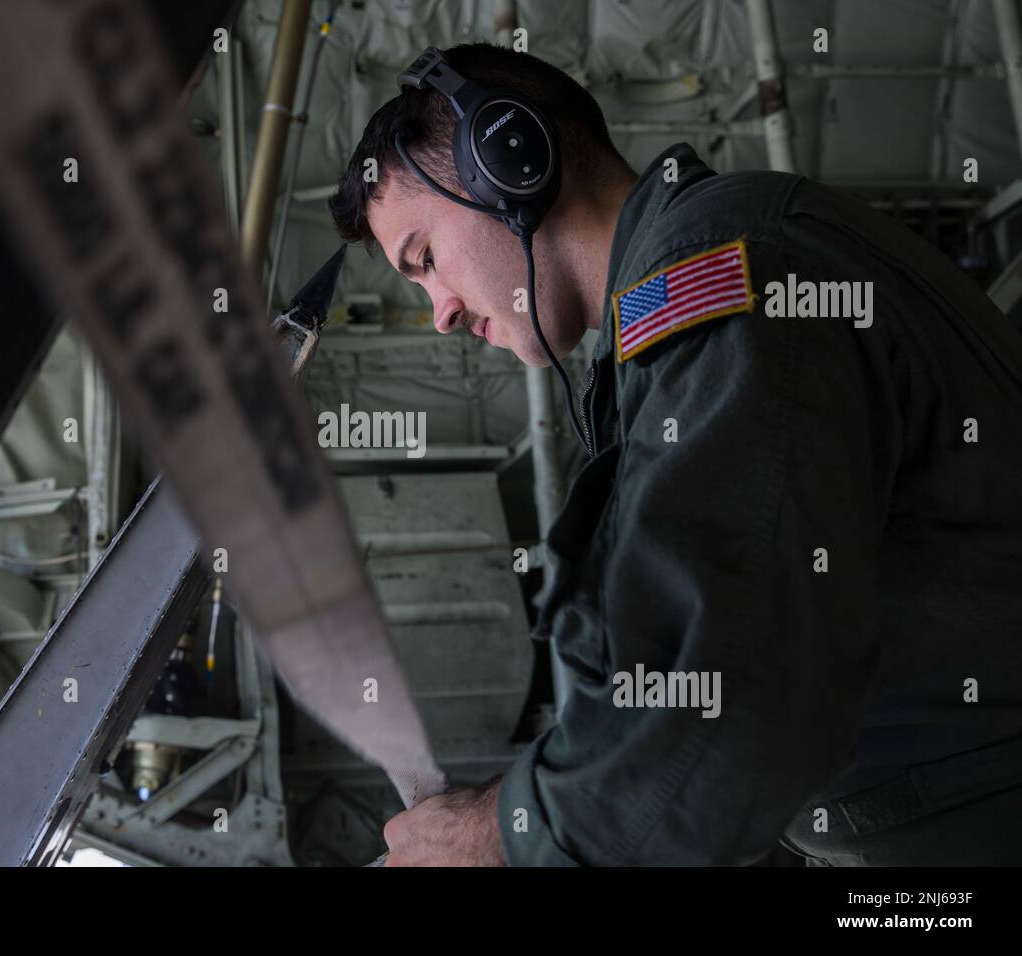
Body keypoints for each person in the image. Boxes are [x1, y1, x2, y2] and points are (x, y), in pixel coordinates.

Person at [327, 42, 1022, 866]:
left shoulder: (729, 279)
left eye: (426, 259)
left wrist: (497, 836)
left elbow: (723, 723)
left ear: (509, 159)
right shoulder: (701, 279)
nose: (439, 312)